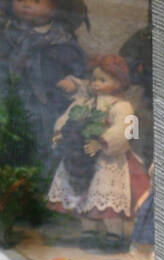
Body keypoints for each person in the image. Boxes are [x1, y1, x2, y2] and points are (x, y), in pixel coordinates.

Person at [47, 54, 150, 250]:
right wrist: (62, 135)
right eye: (94, 79)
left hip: (109, 161)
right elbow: (66, 119)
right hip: (78, 158)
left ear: (119, 81)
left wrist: (102, 142)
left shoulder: (122, 106)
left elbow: (128, 129)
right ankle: (89, 232)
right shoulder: (83, 103)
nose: (96, 84)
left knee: (107, 196)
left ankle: (114, 234)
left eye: (103, 79)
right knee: (83, 195)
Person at [0, 0, 87, 164]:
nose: (26, 4)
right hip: (11, 99)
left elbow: (77, 70)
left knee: (43, 143)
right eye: (19, 0)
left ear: (55, 7)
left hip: (47, 105)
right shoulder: (8, 35)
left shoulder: (62, 40)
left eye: (37, 1)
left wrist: (73, 82)